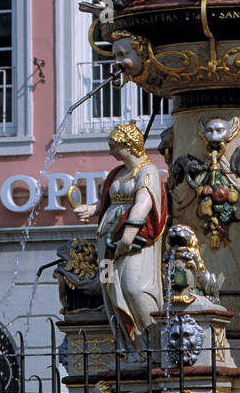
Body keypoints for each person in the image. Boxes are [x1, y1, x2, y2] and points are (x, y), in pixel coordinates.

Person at [69, 121, 168, 353]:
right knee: (109, 289)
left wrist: (128, 237)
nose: (111, 151)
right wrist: (92, 210)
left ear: (128, 145)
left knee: (133, 288)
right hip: (106, 240)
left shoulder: (148, 171)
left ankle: (152, 344)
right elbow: (111, 201)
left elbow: (143, 204)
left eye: (114, 146)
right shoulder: (118, 173)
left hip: (133, 241)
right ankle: (129, 346)